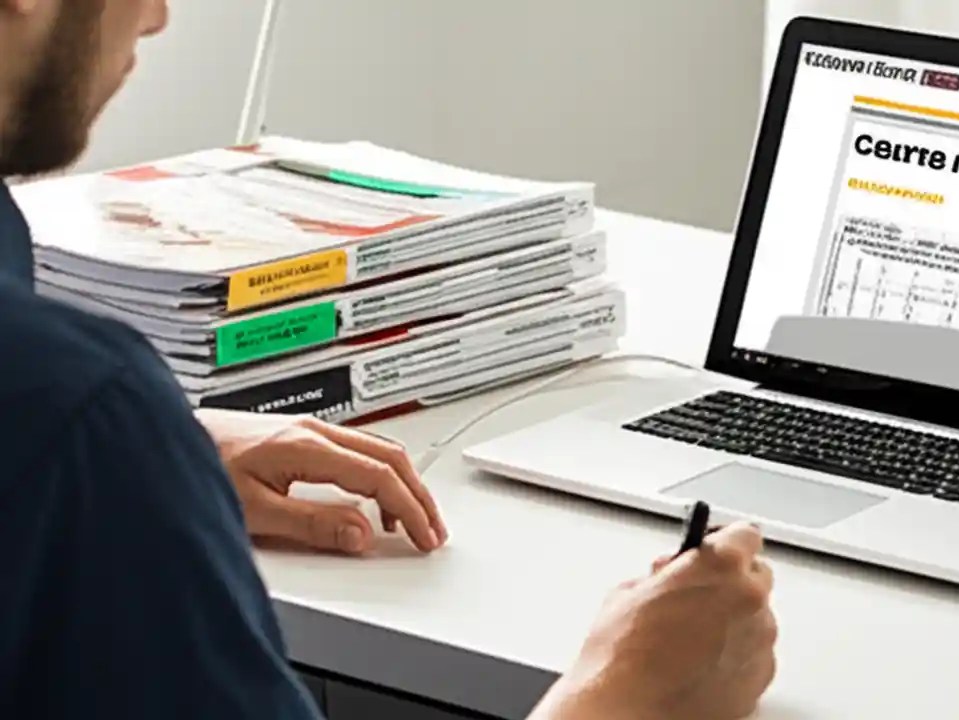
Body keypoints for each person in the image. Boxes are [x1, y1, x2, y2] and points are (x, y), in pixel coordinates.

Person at [0, 1, 778, 718]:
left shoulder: (70, 416)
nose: (160, 16)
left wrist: (161, 451)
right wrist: (628, 691)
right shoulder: (75, 415)